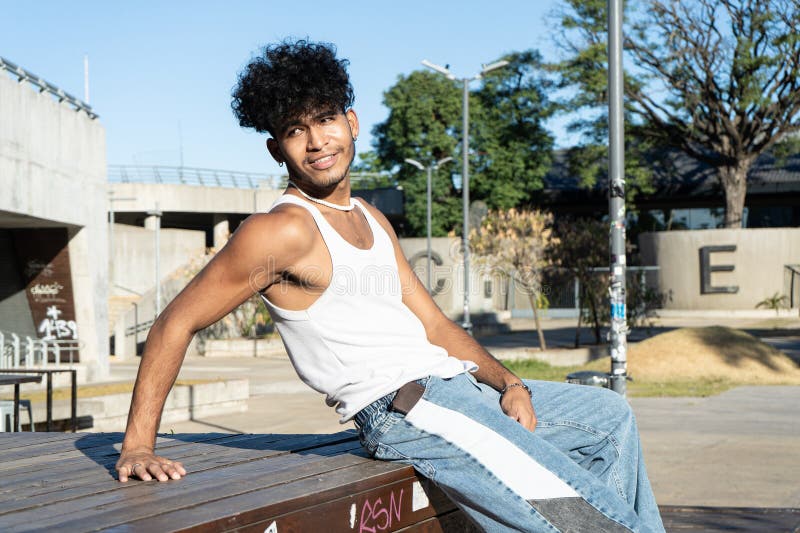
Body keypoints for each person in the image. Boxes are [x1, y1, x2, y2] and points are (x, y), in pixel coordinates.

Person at [115, 39, 665, 533]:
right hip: (409, 408)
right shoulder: (280, 230)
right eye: (294, 130)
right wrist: (138, 443)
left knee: (610, 419)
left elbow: (435, 325)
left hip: (457, 390)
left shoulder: (371, 220)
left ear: (352, 122)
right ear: (275, 148)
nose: (316, 142)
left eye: (326, 120)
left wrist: (509, 383)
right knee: (585, 517)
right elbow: (175, 321)